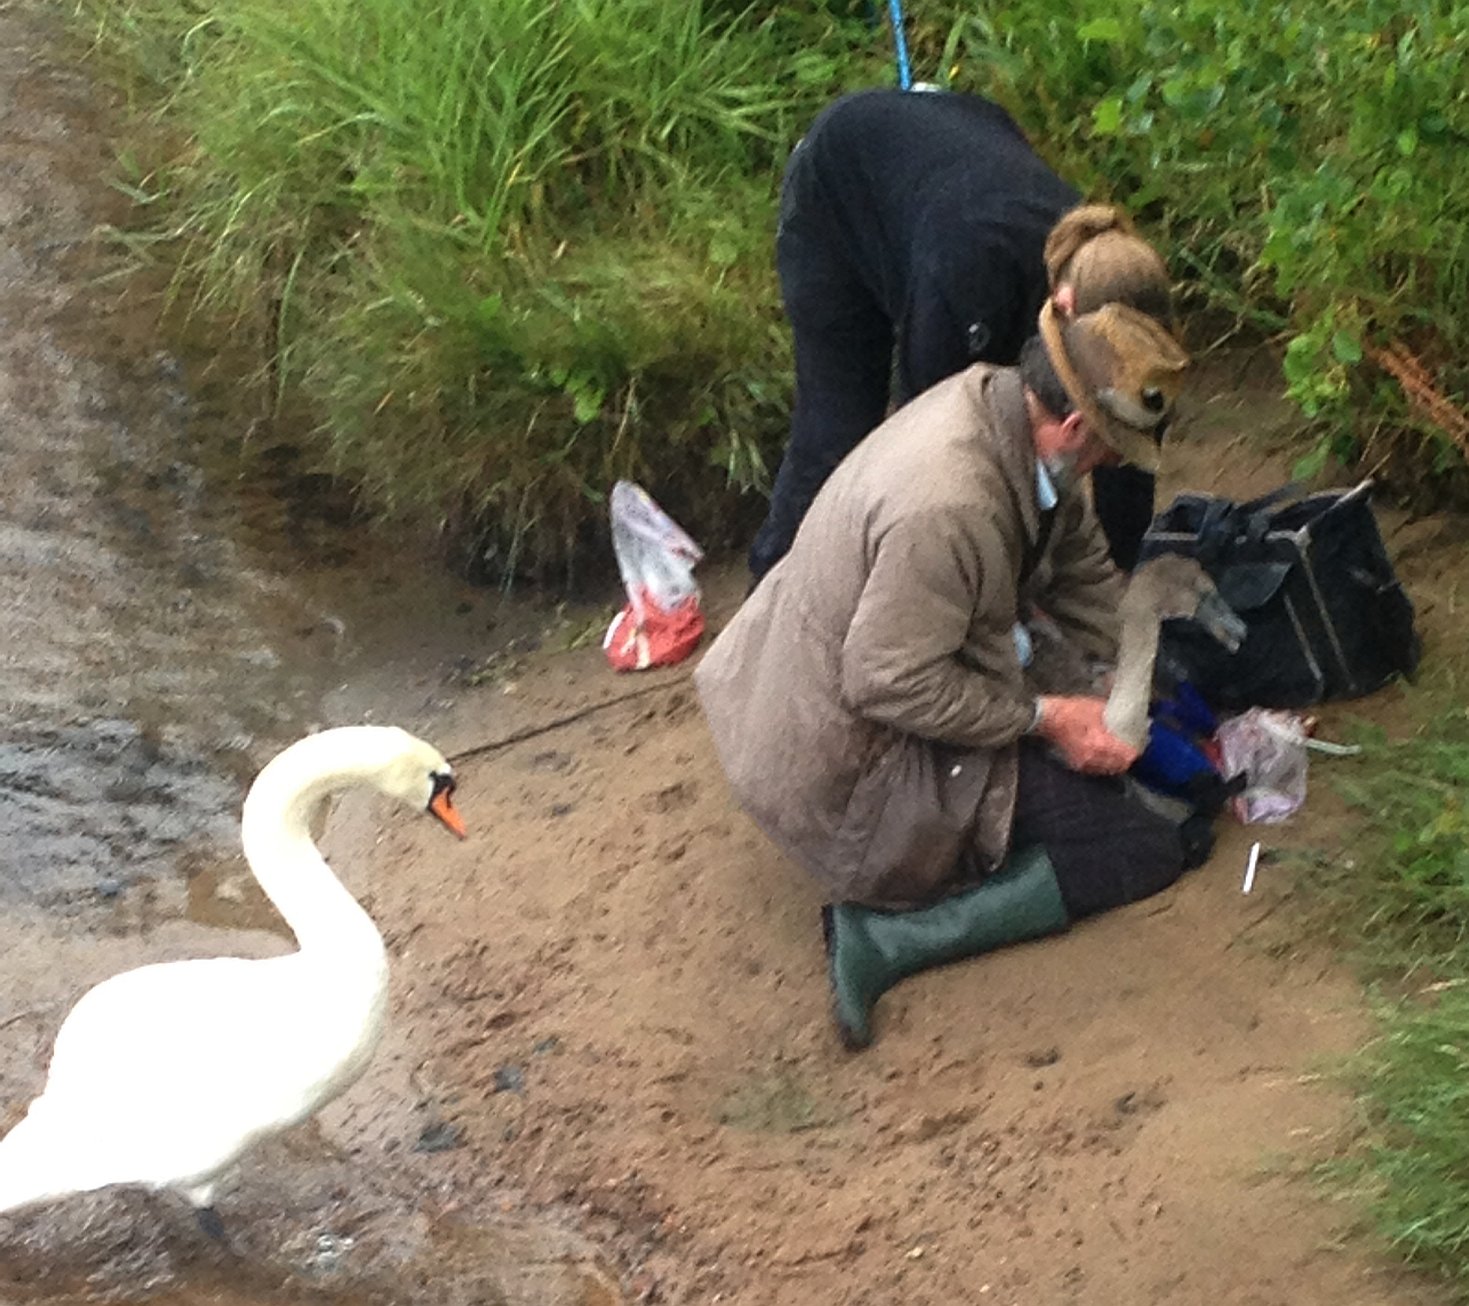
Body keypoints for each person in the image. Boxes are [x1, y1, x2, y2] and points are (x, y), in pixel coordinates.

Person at [698, 301, 1196, 1050]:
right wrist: (1049, 718)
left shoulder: (1002, 407)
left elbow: (1084, 572)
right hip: (839, 753)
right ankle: (882, 939)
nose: (1118, 465)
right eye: (1112, 448)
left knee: (1146, 769)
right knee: (1143, 844)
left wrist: (1133, 681)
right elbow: (884, 681)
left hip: (813, 682)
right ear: (1070, 428)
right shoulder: (951, 504)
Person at [748, 86, 1175, 583]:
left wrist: (1126, 580)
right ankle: (773, 587)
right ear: (1066, 307)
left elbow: (1130, 454)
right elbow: (929, 460)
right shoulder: (967, 284)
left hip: (959, 153)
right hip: (842, 187)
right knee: (839, 426)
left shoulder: (1133, 302)